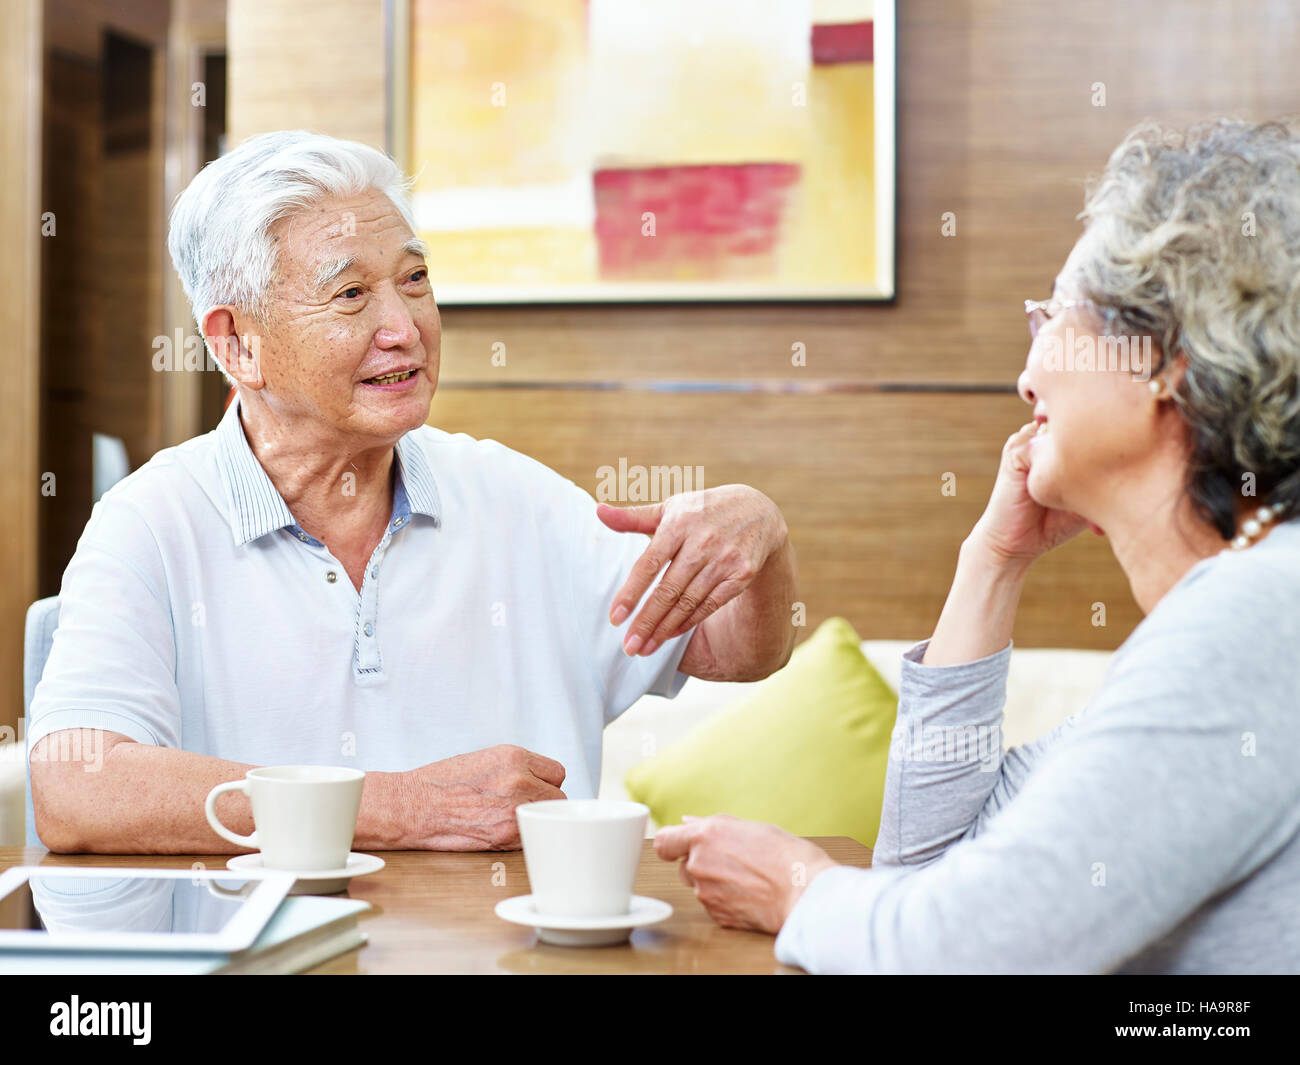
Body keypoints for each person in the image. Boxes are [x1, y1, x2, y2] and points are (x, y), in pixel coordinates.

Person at [28, 130, 797, 854]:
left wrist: (760, 538)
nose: (405, 326)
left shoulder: (513, 496)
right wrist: (403, 806)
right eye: (352, 295)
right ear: (237, 343)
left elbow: (731, 649)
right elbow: (74, 787)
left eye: (415, 279)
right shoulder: (150, 523)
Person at [654, 117, 1300, 974]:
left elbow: (966, 953)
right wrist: (992, 560)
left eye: (1055, 316)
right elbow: (926, 866)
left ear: (1166, 360)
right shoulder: (1239, 609)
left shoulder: (1254, 621)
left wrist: (799, 884)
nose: (1026, 374)